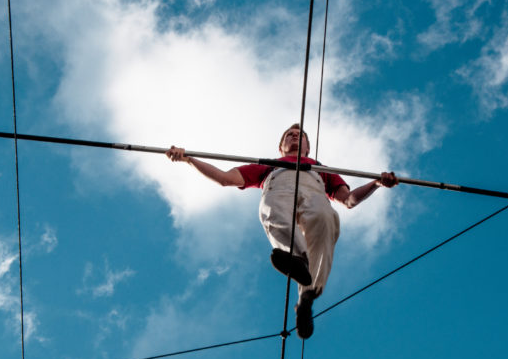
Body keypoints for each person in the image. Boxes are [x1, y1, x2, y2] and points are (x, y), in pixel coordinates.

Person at [166, 123, 399, 339]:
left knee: (326, 218)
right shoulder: (267, 165)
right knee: (274, 211)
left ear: (308, 147)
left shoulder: (324, 170)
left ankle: (307, 294)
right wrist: (189, 159)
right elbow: (225, 178)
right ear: (281, 147)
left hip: (315, 194)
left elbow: (348, 200)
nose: (295, 136)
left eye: (301, 135)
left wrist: (376, 183)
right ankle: (297, 258)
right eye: (290, 135)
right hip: (279, 190)